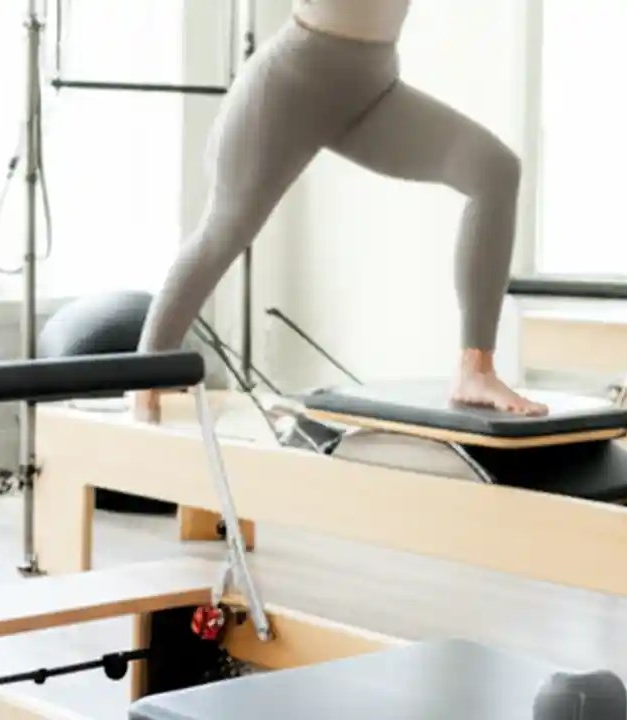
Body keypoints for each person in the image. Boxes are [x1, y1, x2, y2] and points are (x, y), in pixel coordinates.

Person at [134, 0, 548, 420]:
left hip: (372, 91)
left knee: (494, 169)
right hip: (288, 89)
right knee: (224, 232)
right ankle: (143, 382)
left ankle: (476, 369)